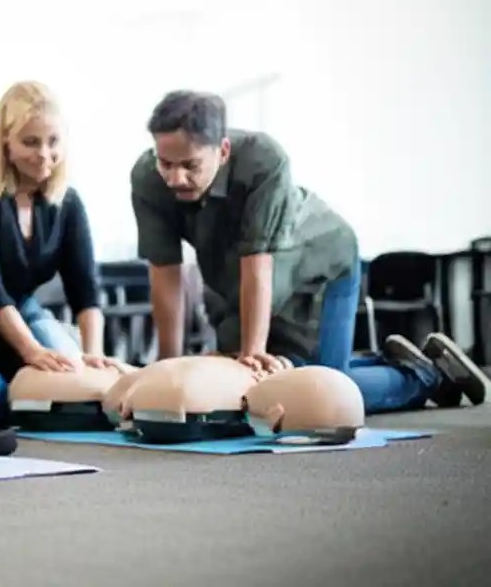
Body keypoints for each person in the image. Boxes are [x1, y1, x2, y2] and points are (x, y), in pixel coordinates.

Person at [130, 90, 487, 412]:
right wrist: (165, 367)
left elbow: (259, 263)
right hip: (246, 281)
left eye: (190, 166)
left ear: (222, 151)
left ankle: (428, 377)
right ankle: (395, 364)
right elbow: (165, 273)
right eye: (166, 164)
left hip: (323, 266)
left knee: (319, 393)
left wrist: (252, 355)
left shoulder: (263, 160)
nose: (175, 178)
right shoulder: (148, 178)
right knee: (279, 377)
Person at [0, 80, 110, 427]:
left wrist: (93, 355)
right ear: (6, 141)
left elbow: (85, 291)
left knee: (72, 378)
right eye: (30, 142)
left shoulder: (67, 200)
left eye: (53, 141)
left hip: (21, 309)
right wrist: (30, 351)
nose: (44, 154)